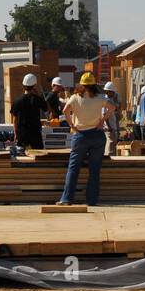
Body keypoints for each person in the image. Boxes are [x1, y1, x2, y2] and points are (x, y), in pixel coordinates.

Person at [59, 73, 113, 205]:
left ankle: (66, 199)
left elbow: (65, 111)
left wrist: (72, 125)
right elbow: (112, 107)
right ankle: (91, 200)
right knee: (94, 170)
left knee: (73, 168)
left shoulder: (75, 98)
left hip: (81, 136)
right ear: (94, 85)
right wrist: (102, 120)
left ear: (81, 85)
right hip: (97, 135)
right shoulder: (100, 97)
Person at [11, 73, 47, 150]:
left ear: (23, 85)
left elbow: (15, 119)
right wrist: (38, 94)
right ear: (34, 86)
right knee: (38, 155)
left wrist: (15, 133)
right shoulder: (37, 99)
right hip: (35, 134)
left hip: (22, 134)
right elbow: (46, 108)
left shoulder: (17, 101)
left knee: (22, 155)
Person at [102, 82, 121, 155]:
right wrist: (109, 127)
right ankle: (110, 162)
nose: (114, 94)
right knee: (111, 146)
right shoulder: (106, 101)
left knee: (111, 145)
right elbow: (104, 115)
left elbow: (116, 108)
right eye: (113, 92)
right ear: (109, 92)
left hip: (111, 127)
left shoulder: (110, 100)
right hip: (110, 128)